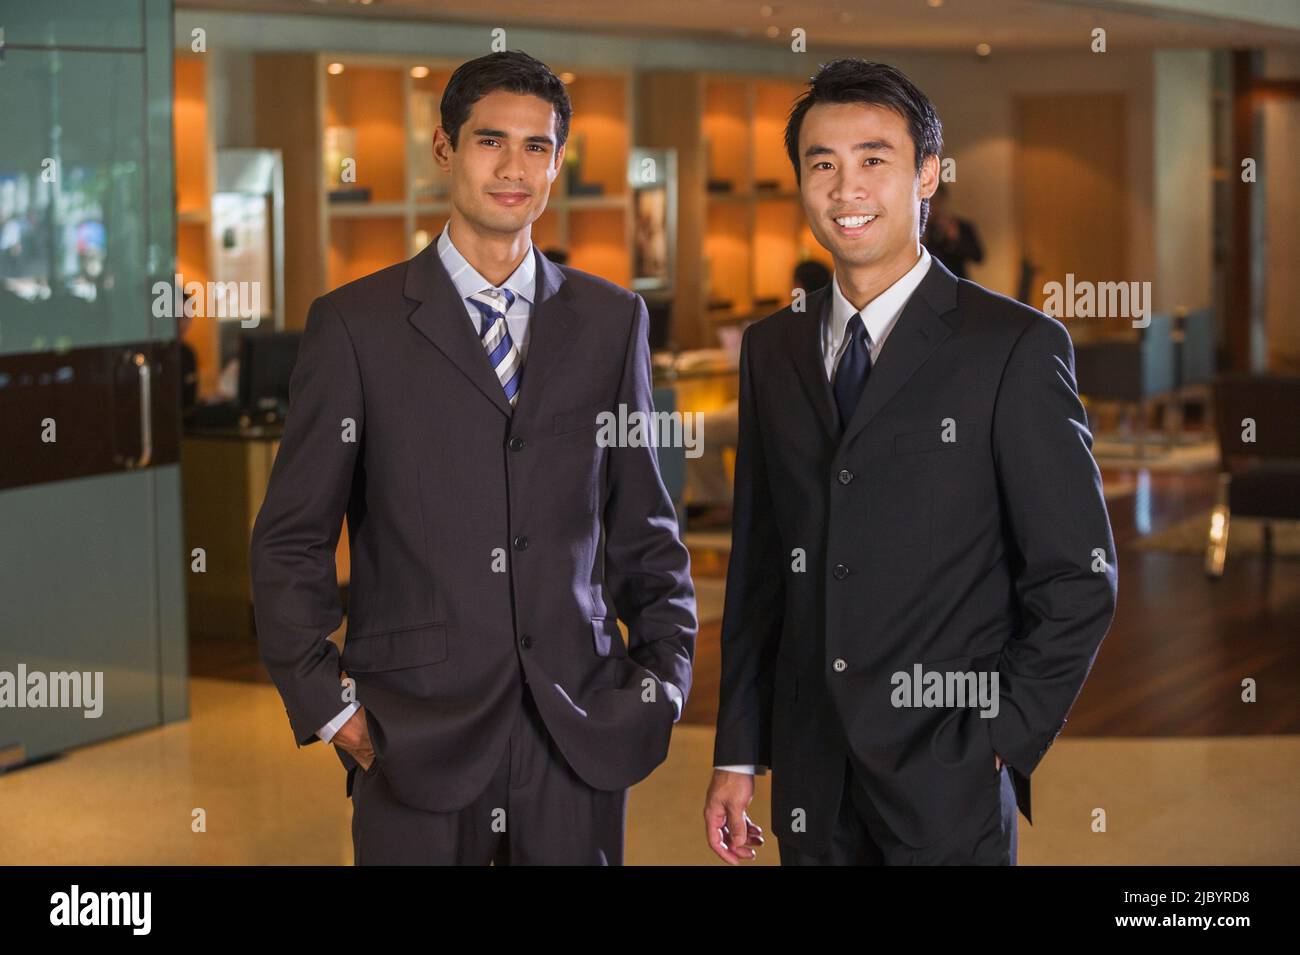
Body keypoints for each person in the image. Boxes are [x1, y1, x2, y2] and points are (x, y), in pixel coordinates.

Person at [251, 51, 696, 865]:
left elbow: (646, 527)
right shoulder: (357, 326)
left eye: (537, 147)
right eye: (492, 141)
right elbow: (290, 538)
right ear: (445, 150)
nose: (514, 168)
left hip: (577, 728)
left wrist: (660, 683)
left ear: (558, 162)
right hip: (409, 730)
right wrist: (329, 705)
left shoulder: (611, 321)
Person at [704, 59, 1116, 865]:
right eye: (822, 163)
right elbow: (759, 569)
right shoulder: (771, 347)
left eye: (874, 160)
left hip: (947, 771)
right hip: (812, 775)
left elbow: (1078, 574)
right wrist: (738, 751)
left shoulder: (1013, 347)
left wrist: (1003, 737)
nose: (845, 187)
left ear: (927, 173)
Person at [922, 183, 984, 279]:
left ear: (944, 201)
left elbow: (978, 257)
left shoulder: (960, 226)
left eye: (937, 201)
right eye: (929, 201)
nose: (933, 206)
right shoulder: (917, 228)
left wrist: (955, 238)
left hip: (956, 282)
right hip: (927, 282)